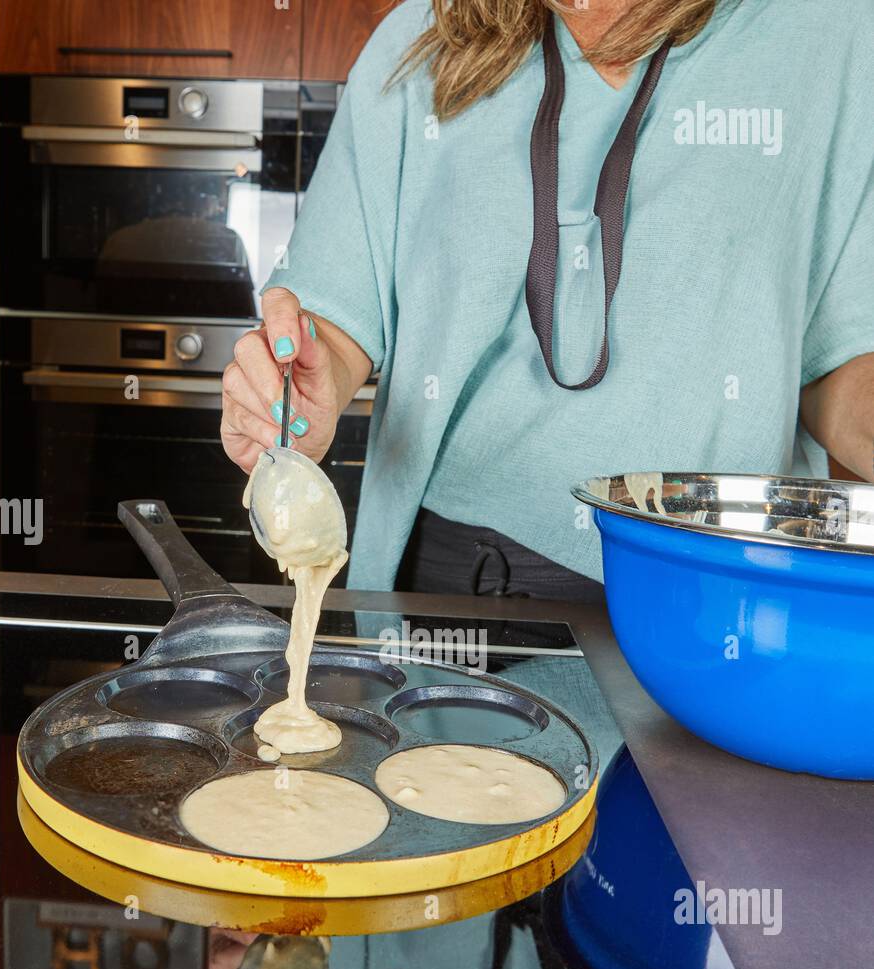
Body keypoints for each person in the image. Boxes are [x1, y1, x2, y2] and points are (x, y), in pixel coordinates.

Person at [220, 0, 874, 602]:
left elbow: (841, 368)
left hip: (710, 595)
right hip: (447, 580)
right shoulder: (421, 33)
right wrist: (300, 393)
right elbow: (335, 323)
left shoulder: (833, 33)